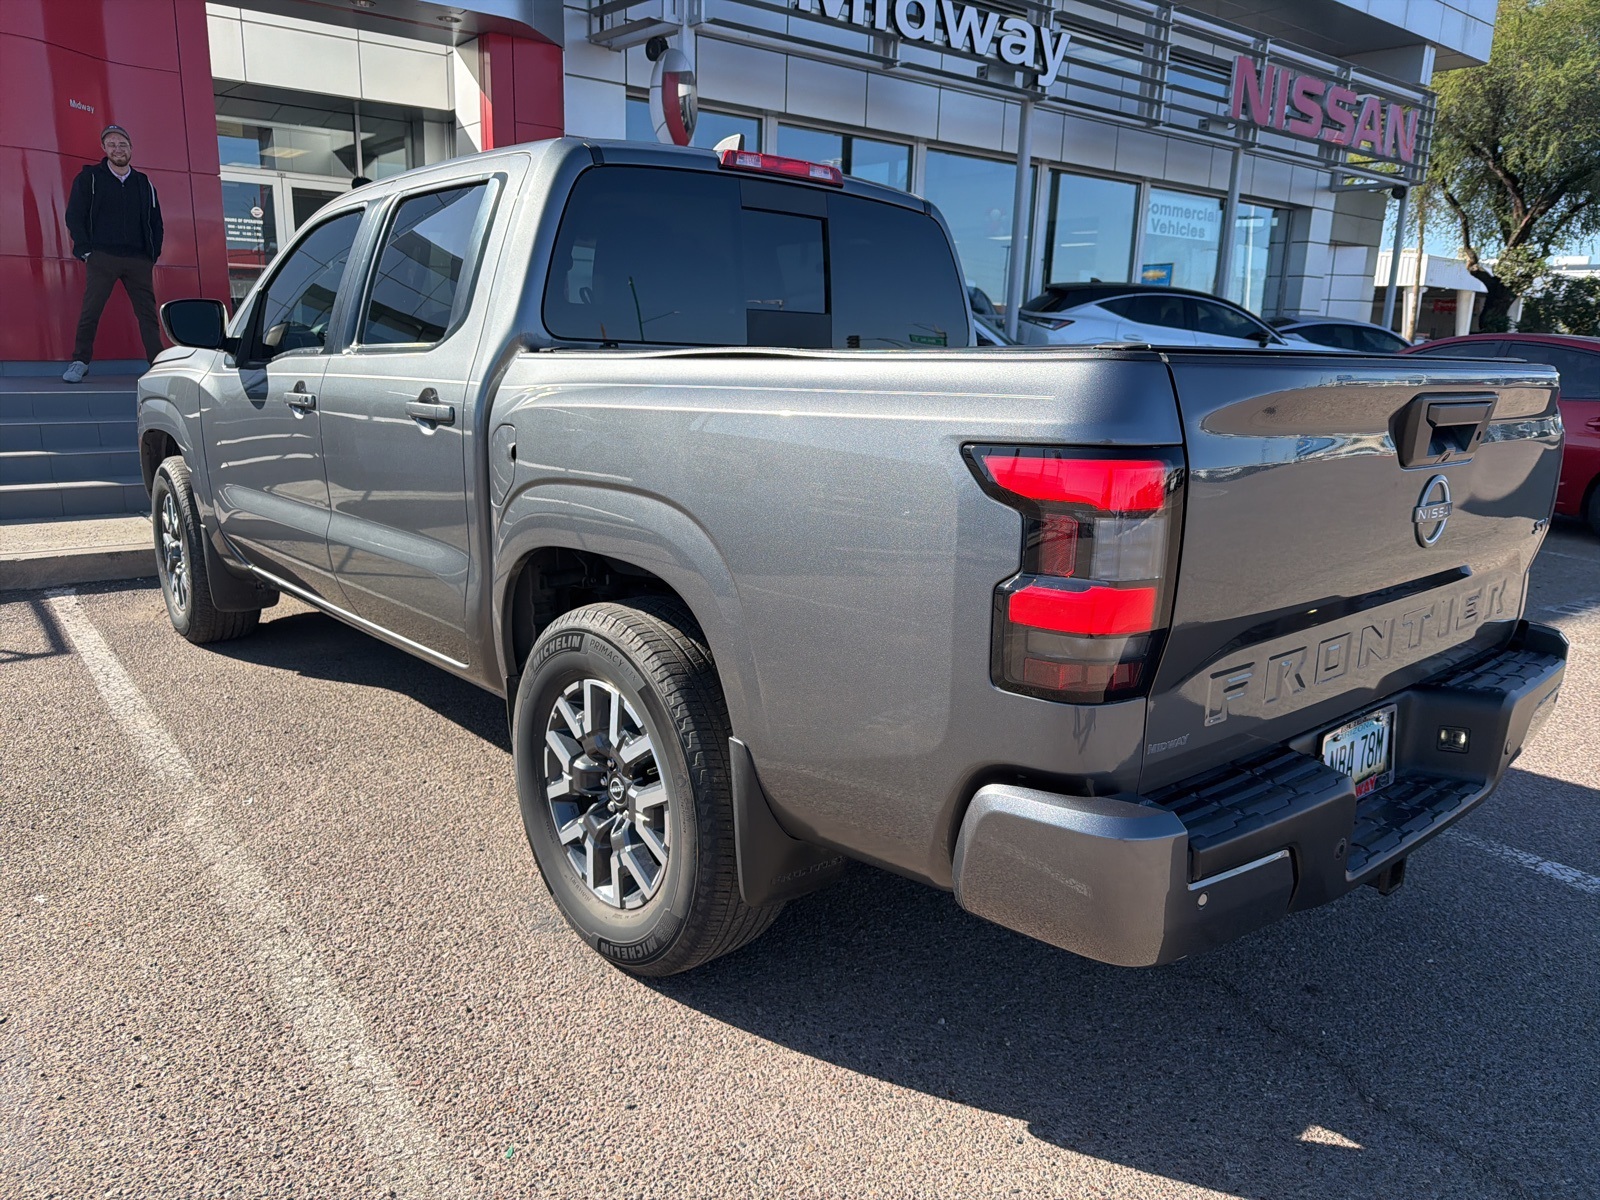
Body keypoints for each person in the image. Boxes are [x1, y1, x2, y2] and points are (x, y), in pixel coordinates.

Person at [61, 124, 164, 382]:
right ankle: (80, 361)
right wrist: (86, 251)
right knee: (91, 311)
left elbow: (156, 221)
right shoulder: (90, 178)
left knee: (148, 315)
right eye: (112, 144)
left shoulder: (143, 183)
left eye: (122, 144)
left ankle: (158, 364)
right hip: (102, 257)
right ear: (104, 149)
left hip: (138, 259)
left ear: (131, 148)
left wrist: (152, 254)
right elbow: (74, 216)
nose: (117, 149)